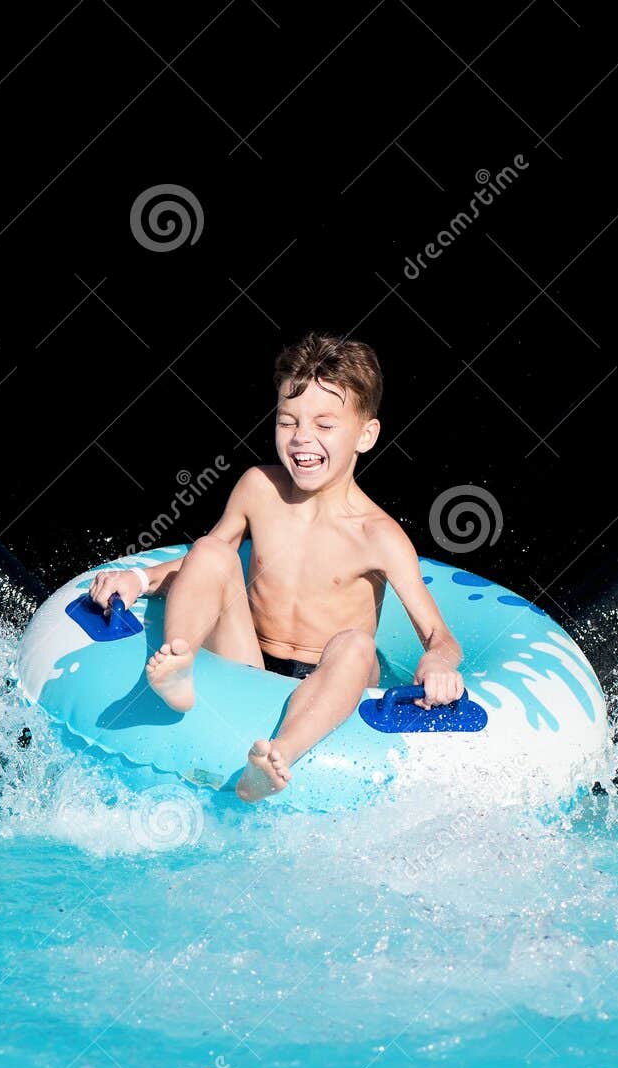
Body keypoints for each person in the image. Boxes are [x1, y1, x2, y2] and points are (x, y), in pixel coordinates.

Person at [89, 332, 464, 802]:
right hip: (249, 660)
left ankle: (276, 757)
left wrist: (436, 663)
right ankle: (179, 664)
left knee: (355, 645)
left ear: (365, 435)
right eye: (289, 422)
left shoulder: (378, 535)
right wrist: (139, 579)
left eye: (325, 425)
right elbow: (202, 567)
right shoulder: (258, 488)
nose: (302, 438)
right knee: (210, 548)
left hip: (330, 676)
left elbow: (439, 637)